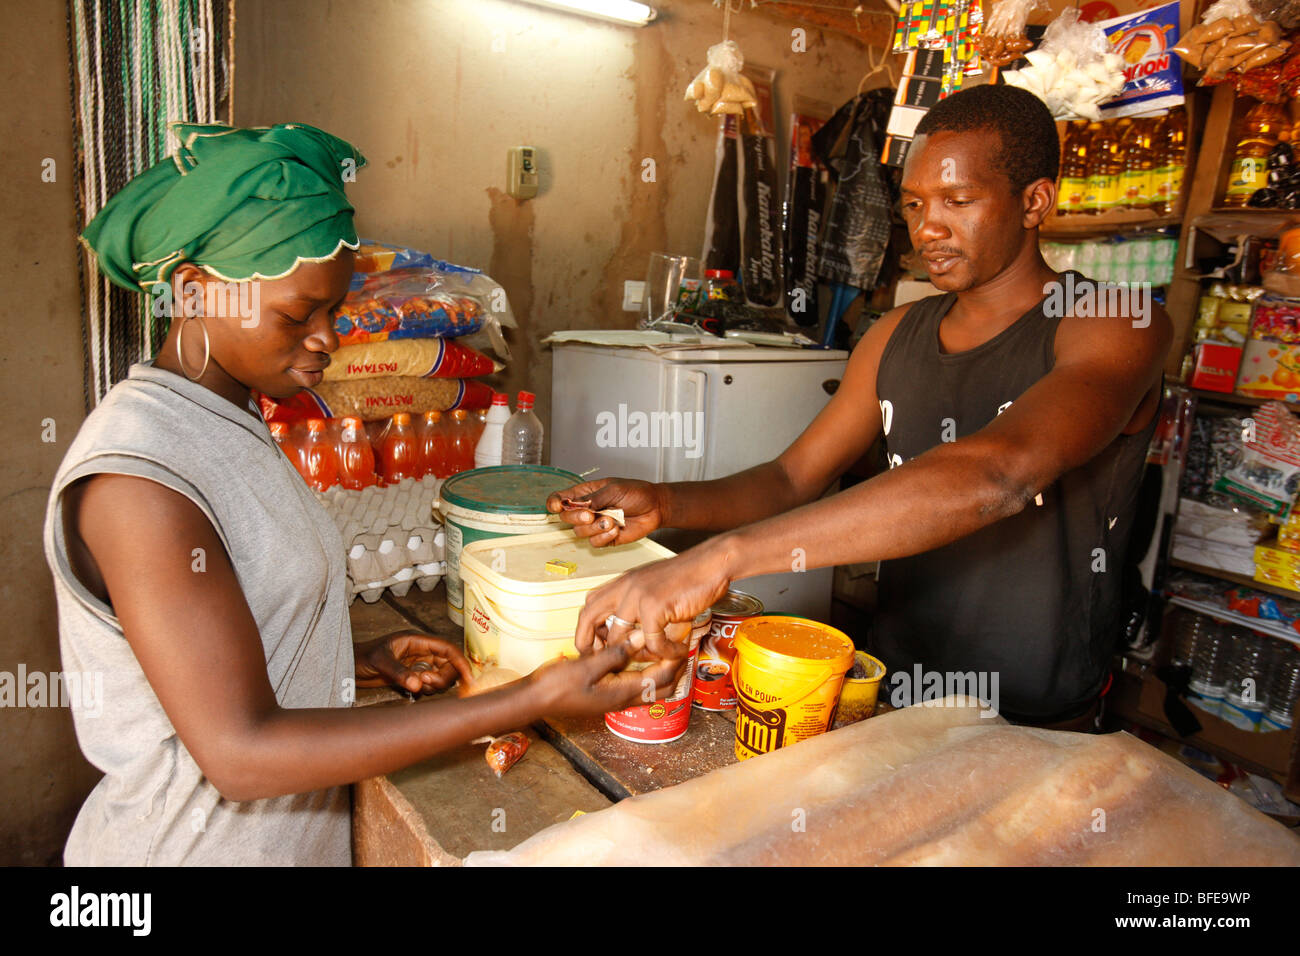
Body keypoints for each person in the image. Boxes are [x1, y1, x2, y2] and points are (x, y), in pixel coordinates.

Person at [44, 122, 680, 866]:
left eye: (333, 312)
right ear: (192, 292)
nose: (326, 340)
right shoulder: (140, 479)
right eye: (296, 314)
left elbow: (221, 634)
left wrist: (344, 658)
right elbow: (240, 754)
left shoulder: (232, 415)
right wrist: (529, 698)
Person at [548, 85, 1172, 731]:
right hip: (897, 689)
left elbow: (1000, 475)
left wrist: (720, 558)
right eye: (913, 204)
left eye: (958, 201)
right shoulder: (892, 335)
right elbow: (792, 478)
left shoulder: (1114, 322)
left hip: (1036, 716)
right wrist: (666, 502)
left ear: (1035, 200)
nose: (927, 227)